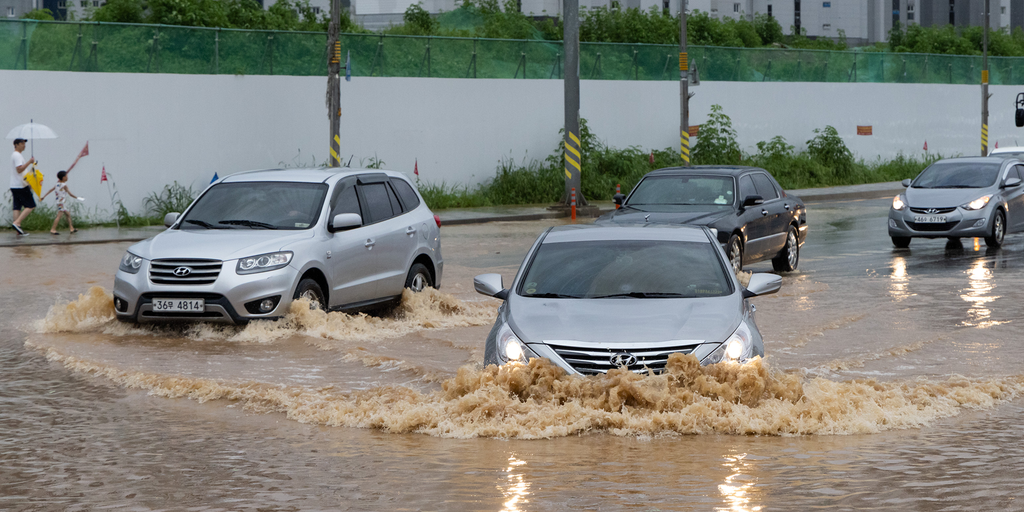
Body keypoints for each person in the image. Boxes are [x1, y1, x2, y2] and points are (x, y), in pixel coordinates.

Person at [10, 138, 37, 236]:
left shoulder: (16, 155)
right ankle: (17, 223)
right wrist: (29, 162)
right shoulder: (17, 155)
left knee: (17, 207)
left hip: (15, 185)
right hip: (20, 185)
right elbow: (19, 169)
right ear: (16, 145)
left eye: (24, 143)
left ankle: (18, 229)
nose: (24, 145)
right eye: (22, 143)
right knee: (31, 205)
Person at [41, 170, 82, 234]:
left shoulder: (56, 184)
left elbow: (50, 190)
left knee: (68, 215)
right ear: (63, 177)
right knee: (59, 216)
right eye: (66, 176)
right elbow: (70, 194)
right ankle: (53, 229)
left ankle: (71, 228)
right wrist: (78, 198)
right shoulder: (64, 185)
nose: (67, 177)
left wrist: (43, 196)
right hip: (62, 203)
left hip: (60, 202)